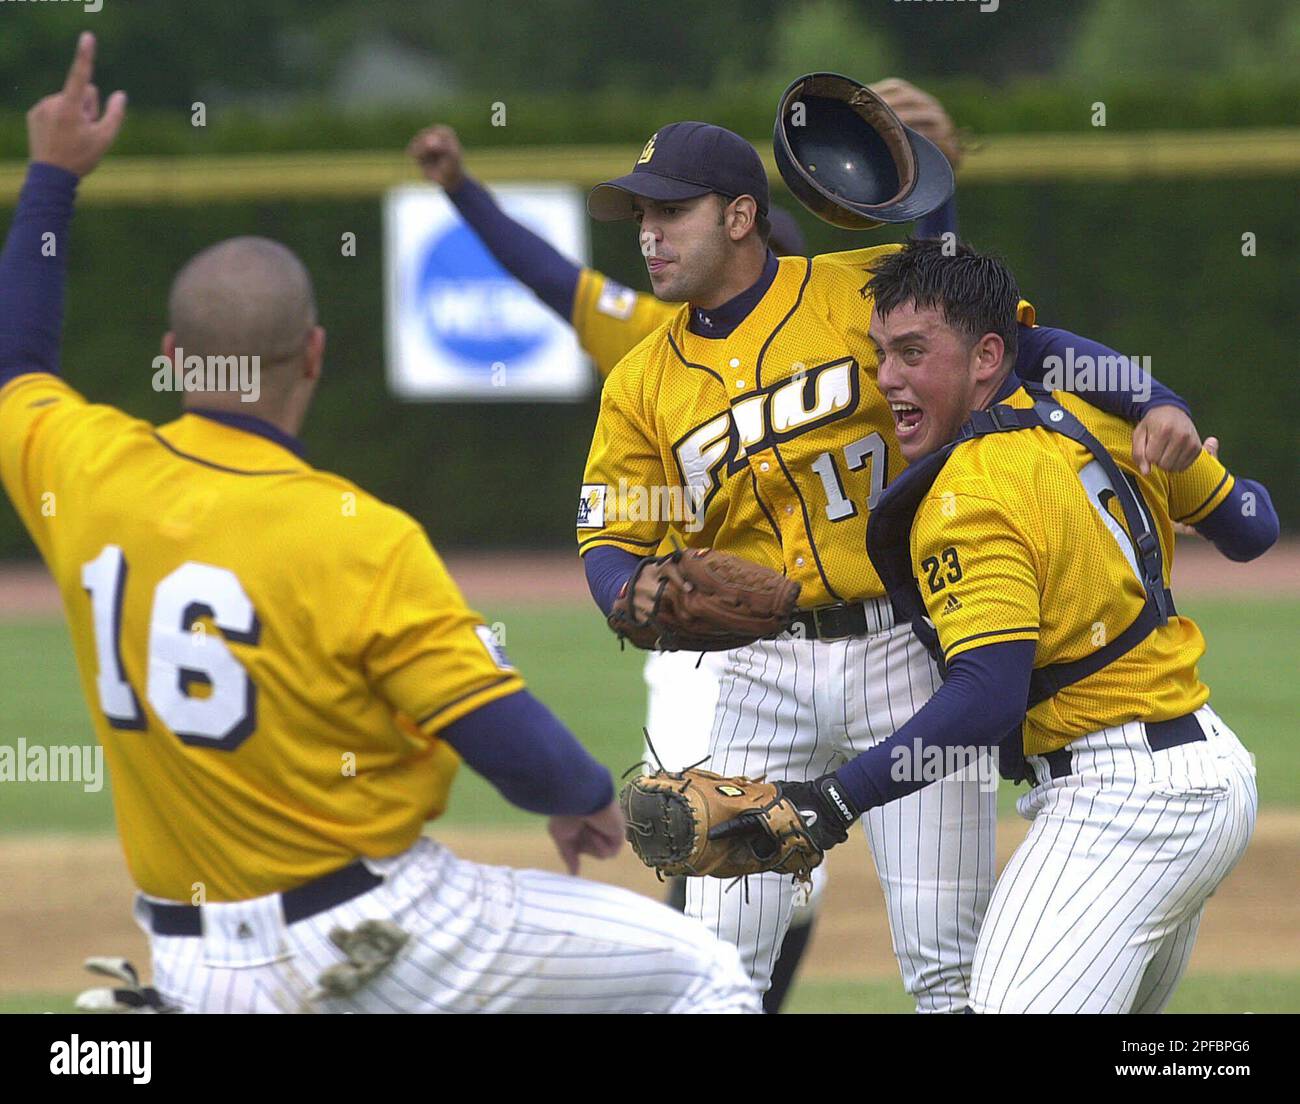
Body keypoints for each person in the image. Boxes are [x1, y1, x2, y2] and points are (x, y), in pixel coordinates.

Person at [1, 33, 760, 1015]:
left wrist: (53, 174)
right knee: (703, 973)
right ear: (313, 354)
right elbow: (510, 741)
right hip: (378, 929)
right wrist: (579, 797)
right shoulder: (356, 534)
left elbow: (17, 356)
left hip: (190, 956)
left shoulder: (81, 472)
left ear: (171, 355)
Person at [573, 113, 1205, 1010]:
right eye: (638, 216)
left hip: (905, 649)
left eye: (670, 213)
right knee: (716, 958)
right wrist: (626, 593)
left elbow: (1025, 344)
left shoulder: (850, 291)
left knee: (945, 963)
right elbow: (611, 531)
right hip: (757, 669)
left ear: (742, 217)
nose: (648, 234)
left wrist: (1151, 396)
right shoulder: (641, 382)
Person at [727, 237, 1275, 1012]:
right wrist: (1180, 438)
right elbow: (1253, 526)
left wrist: (834, 799)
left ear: (987, 355)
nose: (888, 380)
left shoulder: (967, 492)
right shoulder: (1108, 412)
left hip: (1124, 803)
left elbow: (986, 696)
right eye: (881, 354)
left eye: (914, 353)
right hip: (1205, 772)